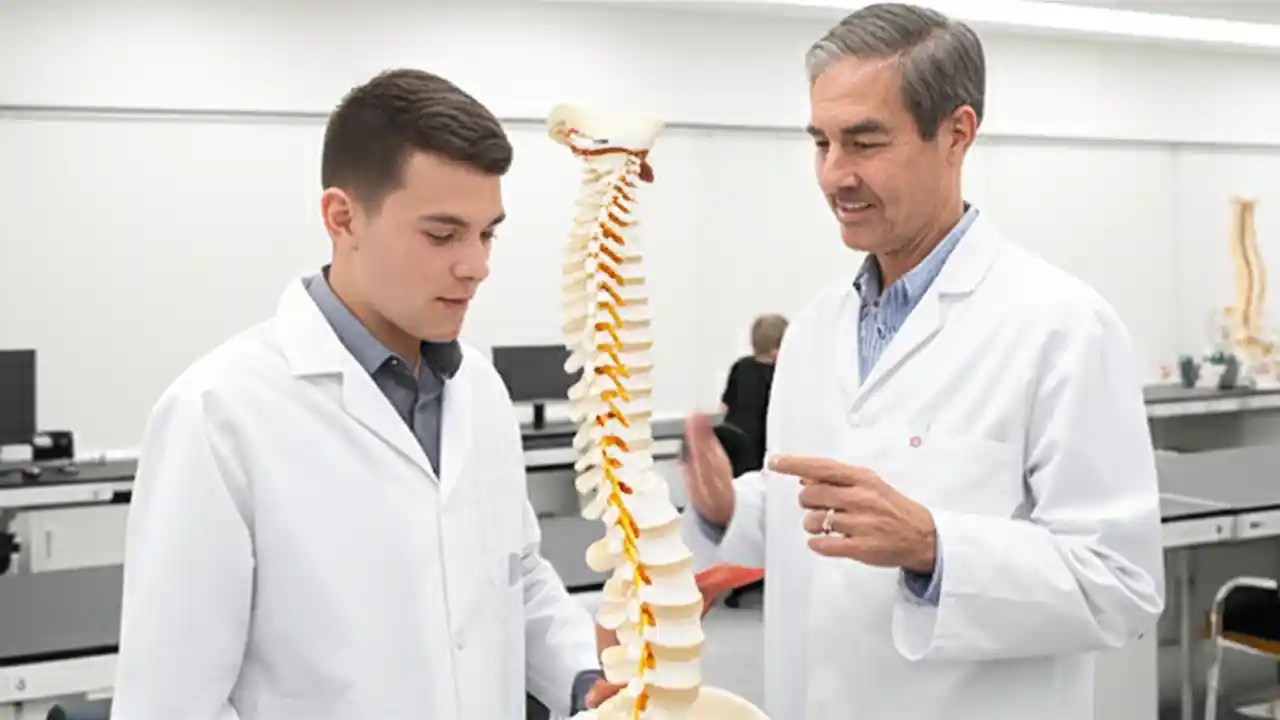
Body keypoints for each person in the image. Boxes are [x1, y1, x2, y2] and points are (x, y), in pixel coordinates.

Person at [680, 4, 1165, 719]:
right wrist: (734, 510)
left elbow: (1119, 585)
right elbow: (814, 520)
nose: (835, 175)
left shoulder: (1060, 326)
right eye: (821, 143)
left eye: (865, 142)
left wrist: (935, 548)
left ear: (956, 135)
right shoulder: (816, 330)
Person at [112, 69, 614, 719]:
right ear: (342, 217)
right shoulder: (219, 414)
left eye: (488, 233)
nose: (477, 265)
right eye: (443, 234)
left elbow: (515, 580)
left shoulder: (480, 392)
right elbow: (170, 703)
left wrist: (583, 675)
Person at [719, 314, 788, 472]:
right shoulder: (780, 377)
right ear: (777, 350)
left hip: (733, 458)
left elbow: (724, 409)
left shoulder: (740, 367)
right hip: (761, 459)